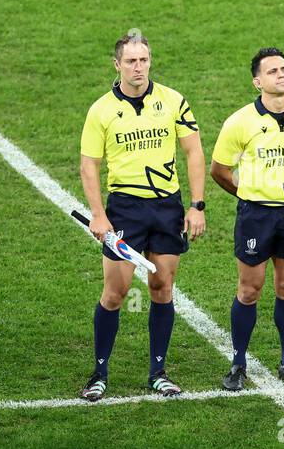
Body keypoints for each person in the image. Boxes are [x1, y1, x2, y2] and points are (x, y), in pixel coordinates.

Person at [78, 32, 207, 400]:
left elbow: (194, 153)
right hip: (126, 211)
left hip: (167, 208)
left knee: (162, 288)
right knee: (115, 293)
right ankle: (99, 374)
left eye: (144, 60)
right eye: (131, 61)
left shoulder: (173, 101)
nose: (139, 67)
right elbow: (89, 166)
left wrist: (196, 205)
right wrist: (99, 215)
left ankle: (158, 372)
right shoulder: (101, 110)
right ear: (117, 64)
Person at [210, 48, 284, 391]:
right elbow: (219, 170)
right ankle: (238, 363)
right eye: (273, 71)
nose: (281, 75)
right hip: (255, 215)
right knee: (249, 290)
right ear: (257, 81)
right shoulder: (239, 122)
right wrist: (248, 193)